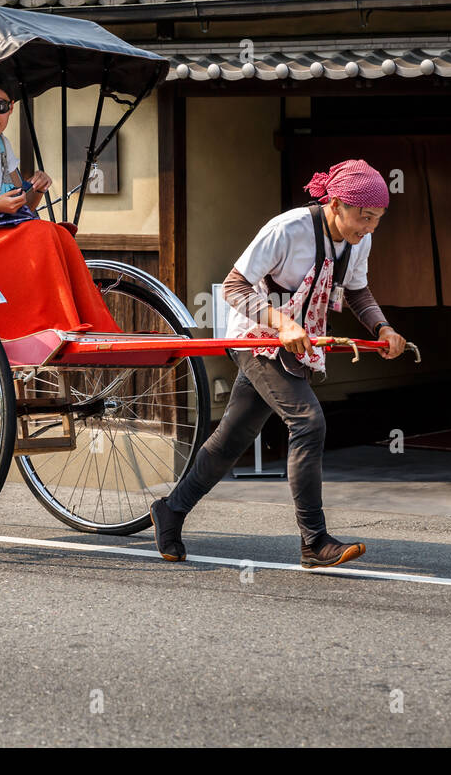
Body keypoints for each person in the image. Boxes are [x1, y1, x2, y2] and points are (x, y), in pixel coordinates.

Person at [150, 159, 406, 568]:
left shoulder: (358, 241)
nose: (370, 227)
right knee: (308, 422)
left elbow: (357, 291)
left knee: (232, 438)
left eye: (377, 219)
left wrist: (384, 329)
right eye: (364, 217)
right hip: (254, 336)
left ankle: (171, 509)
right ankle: (314, 541)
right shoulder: (287, 229)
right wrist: (282, 323)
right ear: (337, 204)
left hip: (296, 341)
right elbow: (234, 287)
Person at [0, 68, 119, 340]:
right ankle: (51, 325)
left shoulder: (2, 146)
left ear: (10, 108)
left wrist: (35, 187)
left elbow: (22, 207)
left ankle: (87, 321)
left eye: (0, 107)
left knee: (58, 233)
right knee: (40, 233)